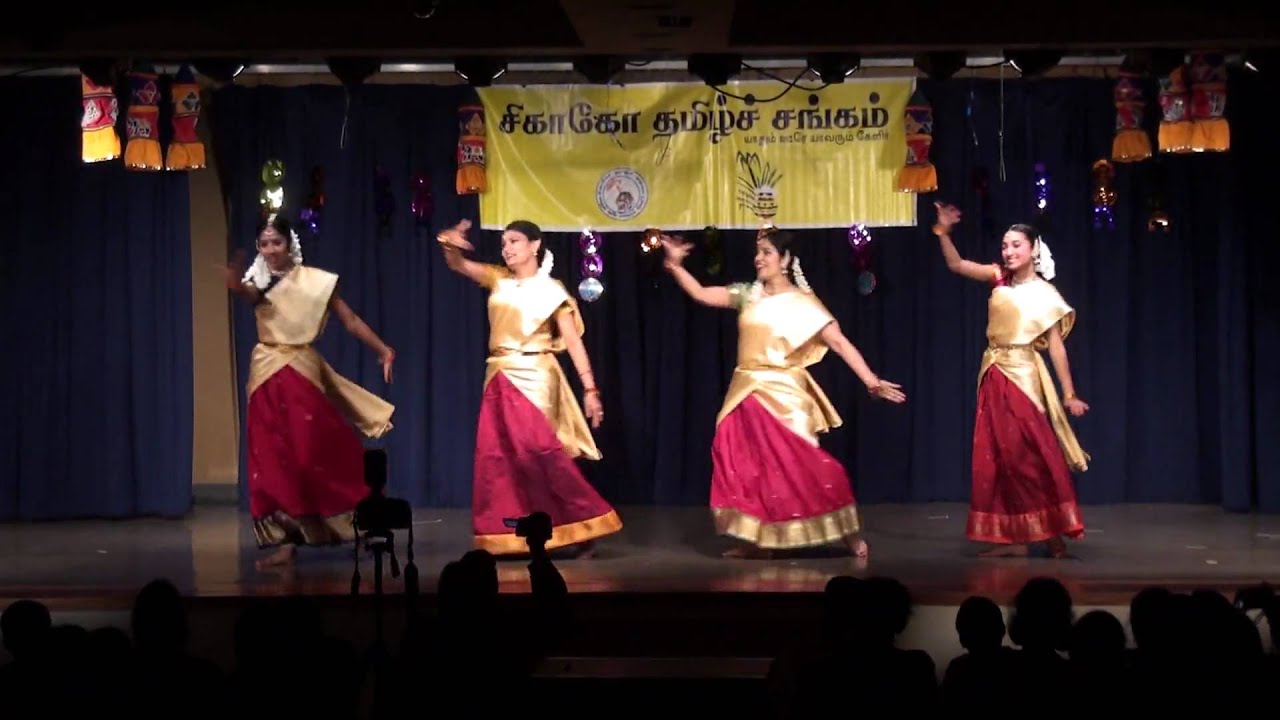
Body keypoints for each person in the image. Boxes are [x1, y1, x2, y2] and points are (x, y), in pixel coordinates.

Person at [661, 226, 905, 558]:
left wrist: (871, 380)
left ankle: (848, 536)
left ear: (786, 259)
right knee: (743, 462)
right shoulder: (748, 294)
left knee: (803, 466)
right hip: (746, 391)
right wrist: (675, 266)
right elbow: (702, 294)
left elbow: (839, 342)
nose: (758, 259)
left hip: (785, 394)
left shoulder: (803, 303)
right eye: (757, 252)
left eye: (767, 253)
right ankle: (758, 542)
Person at [437, 218, 621, 556]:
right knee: (498, 458)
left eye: (514, 241)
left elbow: (573, 342)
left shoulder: (552, 291)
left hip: (536, 375)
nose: (507, 248)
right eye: (504, 243)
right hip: (499, 373)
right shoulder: (498, 279)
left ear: (535, 245)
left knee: (537, 453)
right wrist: (449, 242)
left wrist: (590, 389)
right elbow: (458, 264)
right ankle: (508, 535)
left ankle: (583, 525)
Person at [221, 213, 396, 569]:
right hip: (266, 375)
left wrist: (383, 350)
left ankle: (359, 523)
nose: (271, 249)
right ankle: (286, 541)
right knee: (272, 461)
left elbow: (350, 320)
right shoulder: (258, 281)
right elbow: (247, 292)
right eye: (264, 244)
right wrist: (236, 284)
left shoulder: (316, 282)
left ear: (290, 244)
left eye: (277, 242)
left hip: (301, 371)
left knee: (316, 454)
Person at [932, 202, 1089, 558]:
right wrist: (942, 232)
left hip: (1024, 377)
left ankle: (1052, 531)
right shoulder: (998, 277)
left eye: (1016, 245)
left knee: (1027, 456)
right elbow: (957, 265)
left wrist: (1069, 394)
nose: (1008, 251)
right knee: (998, 457)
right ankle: (1015, 539)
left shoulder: (1046, 295)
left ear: (1034, 249)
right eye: (1005, 246)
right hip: (994, 372)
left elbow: (1056, 349)